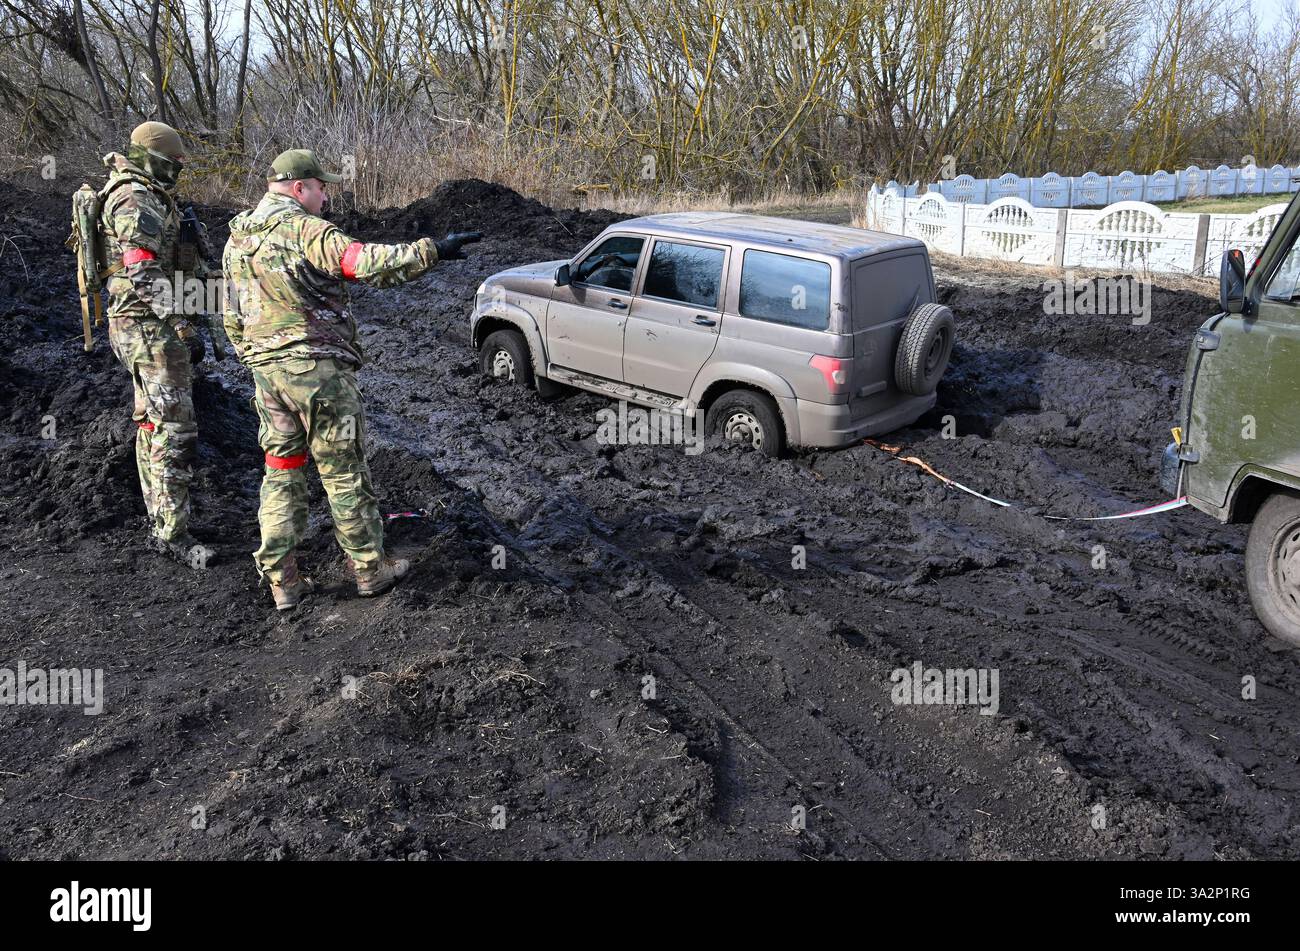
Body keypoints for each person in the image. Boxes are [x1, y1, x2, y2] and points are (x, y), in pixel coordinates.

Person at [222, 148, 480, 610]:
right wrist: (433, 250)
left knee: (280, 472)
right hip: (318, 372)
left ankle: (283, 581)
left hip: (268, 375)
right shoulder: (305, 229)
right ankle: (368, 570)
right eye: (322, 188)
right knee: (343, 471)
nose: (326, 198)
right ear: (300, 187)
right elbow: (362, 263)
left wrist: (258, 359)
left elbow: (232, 316)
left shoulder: (237, 239)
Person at [100, 121, 213, 567]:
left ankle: (161, 519)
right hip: (149, 327)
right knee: (175, 430)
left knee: (152, 423)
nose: (179, 169)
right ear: (153, 159)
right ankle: (172, 532)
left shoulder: (143, 191)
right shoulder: (135, 197)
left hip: (142, 324)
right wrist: (181, 325)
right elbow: (142, 271)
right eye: (174, 162)